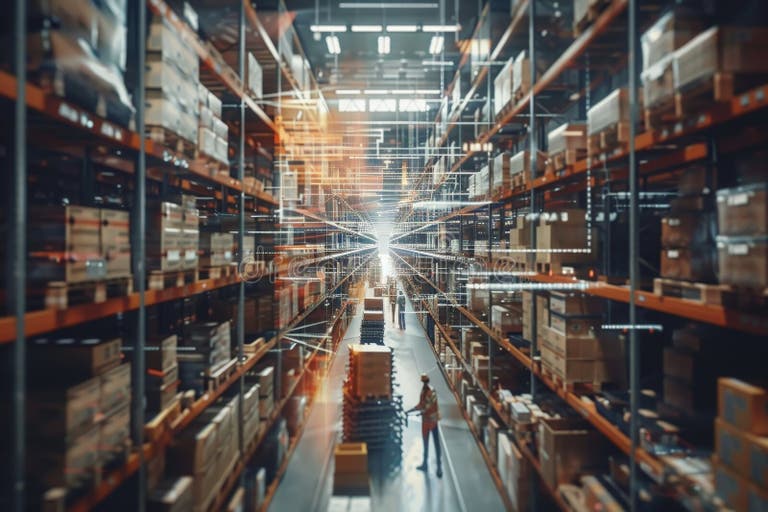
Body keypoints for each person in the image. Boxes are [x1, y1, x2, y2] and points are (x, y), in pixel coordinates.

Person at [408, 374, 442, 477]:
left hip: (432, 421)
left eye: (425, 382)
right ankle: (425, 464)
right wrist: (410, 410)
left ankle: (439, 467)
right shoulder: (423, 391)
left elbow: (427, 406)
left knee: (436, 444)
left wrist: (421, 411)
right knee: (425, 443)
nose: (424, 383)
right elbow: (421, 404)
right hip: (425, 422)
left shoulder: (431, 392)